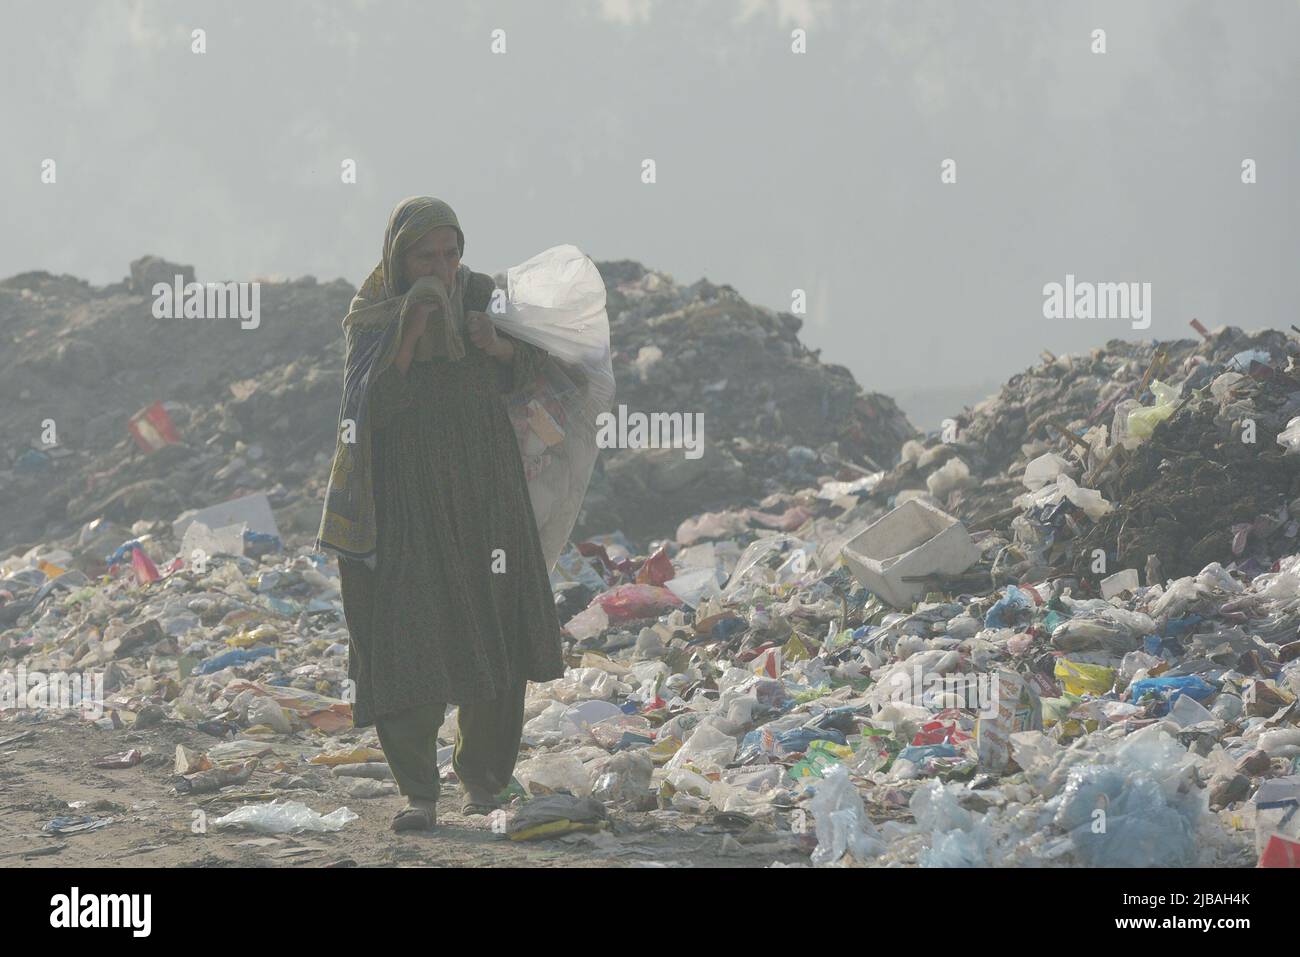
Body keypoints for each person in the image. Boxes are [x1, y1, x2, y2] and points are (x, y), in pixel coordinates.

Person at [317, 196, 565, 831]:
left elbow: (546, 369)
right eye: (425, 256)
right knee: (409, 631)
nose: (441, 267)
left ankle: (483, 780)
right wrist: (407, 336)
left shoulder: (483, 295)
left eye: (450, 253)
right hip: (408, 501)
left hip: (487, 492)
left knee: (497, 627)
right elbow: (364, 412)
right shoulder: (373, 315)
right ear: (398, 258)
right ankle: (419, 793)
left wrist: (500, 347)